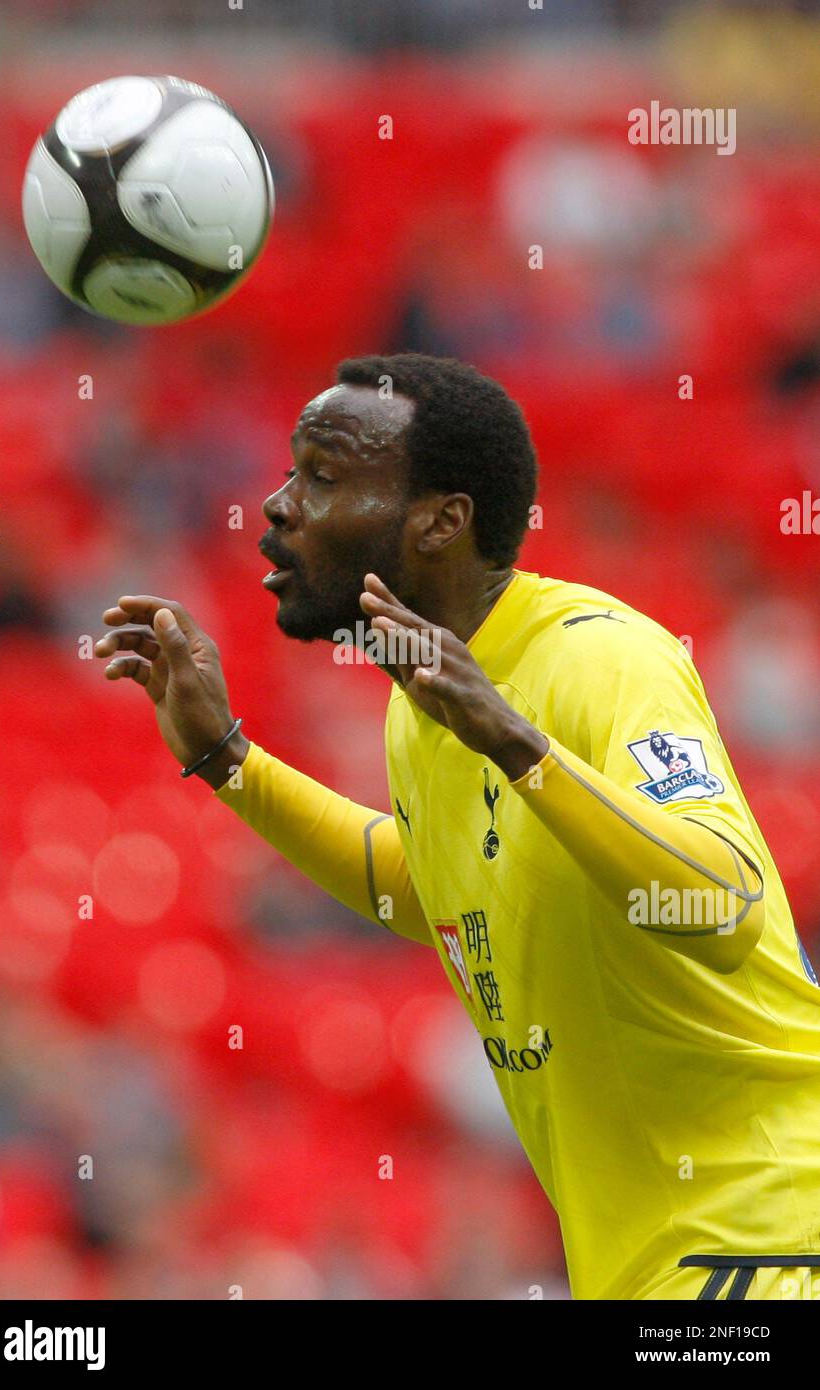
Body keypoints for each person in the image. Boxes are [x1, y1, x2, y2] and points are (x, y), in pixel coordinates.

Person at [96, 353, 820, 1301]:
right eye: (288, 471)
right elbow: (423, 885)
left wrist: (520, 746)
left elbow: (723, 907)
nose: (276, 506)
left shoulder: (600, 660)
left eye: (321, 477)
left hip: (770, 1241)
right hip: (656, 1267)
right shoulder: (421, 705)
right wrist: (232, 761)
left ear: (442, 519)